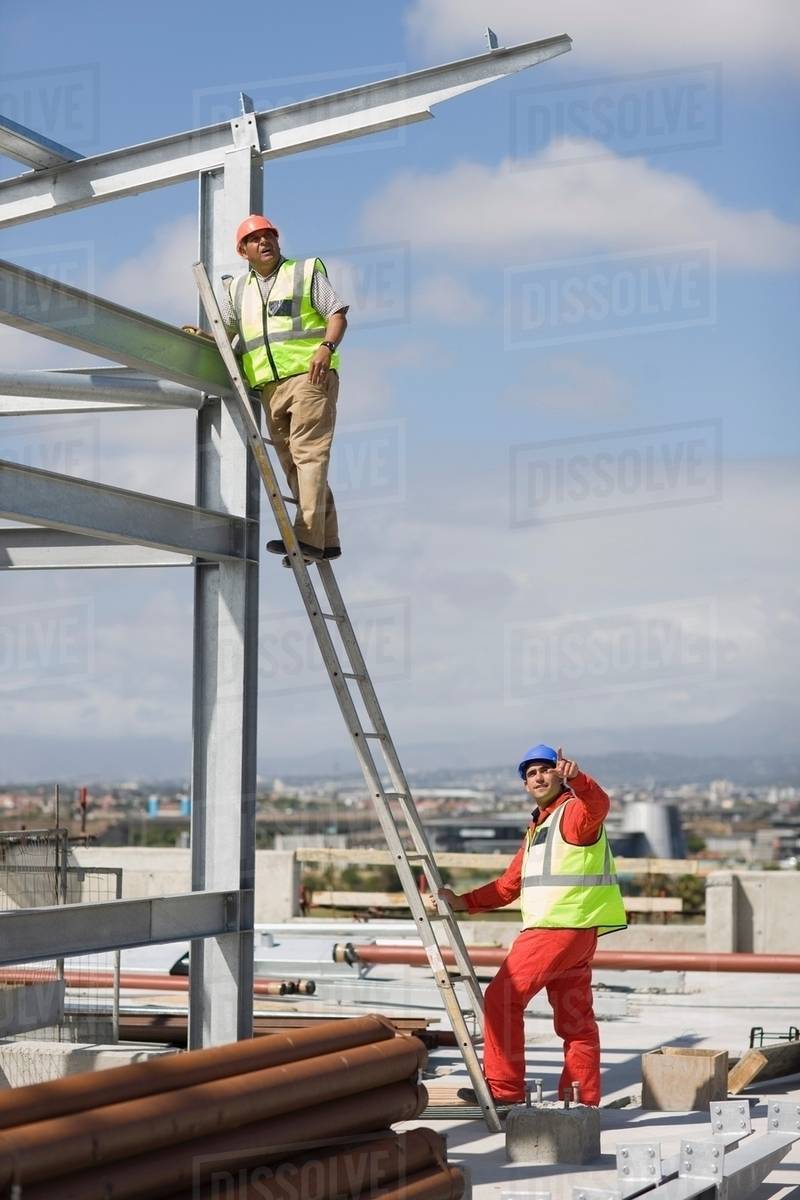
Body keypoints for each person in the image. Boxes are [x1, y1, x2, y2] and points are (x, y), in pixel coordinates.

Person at [439, 743, 626, 1110]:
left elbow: (598, 807)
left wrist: (581, 780)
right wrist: (462, 901)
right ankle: (580, 1104)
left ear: (560, 773)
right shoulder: (540, 827)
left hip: (554, 932)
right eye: (530, 774)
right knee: (577, 1026)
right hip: (577, 936)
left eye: (544, 769)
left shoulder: (573, 813)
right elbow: (509, 886)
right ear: (525, 785)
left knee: (500, 1000)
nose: (538, 777)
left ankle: (505, 1092)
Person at [222, 214, 348, 564]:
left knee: (309, 456)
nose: (265, 242)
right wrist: (204, 340)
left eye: (269, 236)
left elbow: (336, 313)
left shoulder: (303, 274)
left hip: (311, 379)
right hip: (269, 387)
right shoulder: (237, 290)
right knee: (293, 463)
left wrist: (326, 347)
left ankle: (307, 538)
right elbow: (229, 333)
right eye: (256, 239)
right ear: (243, 250)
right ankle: (328, 538)